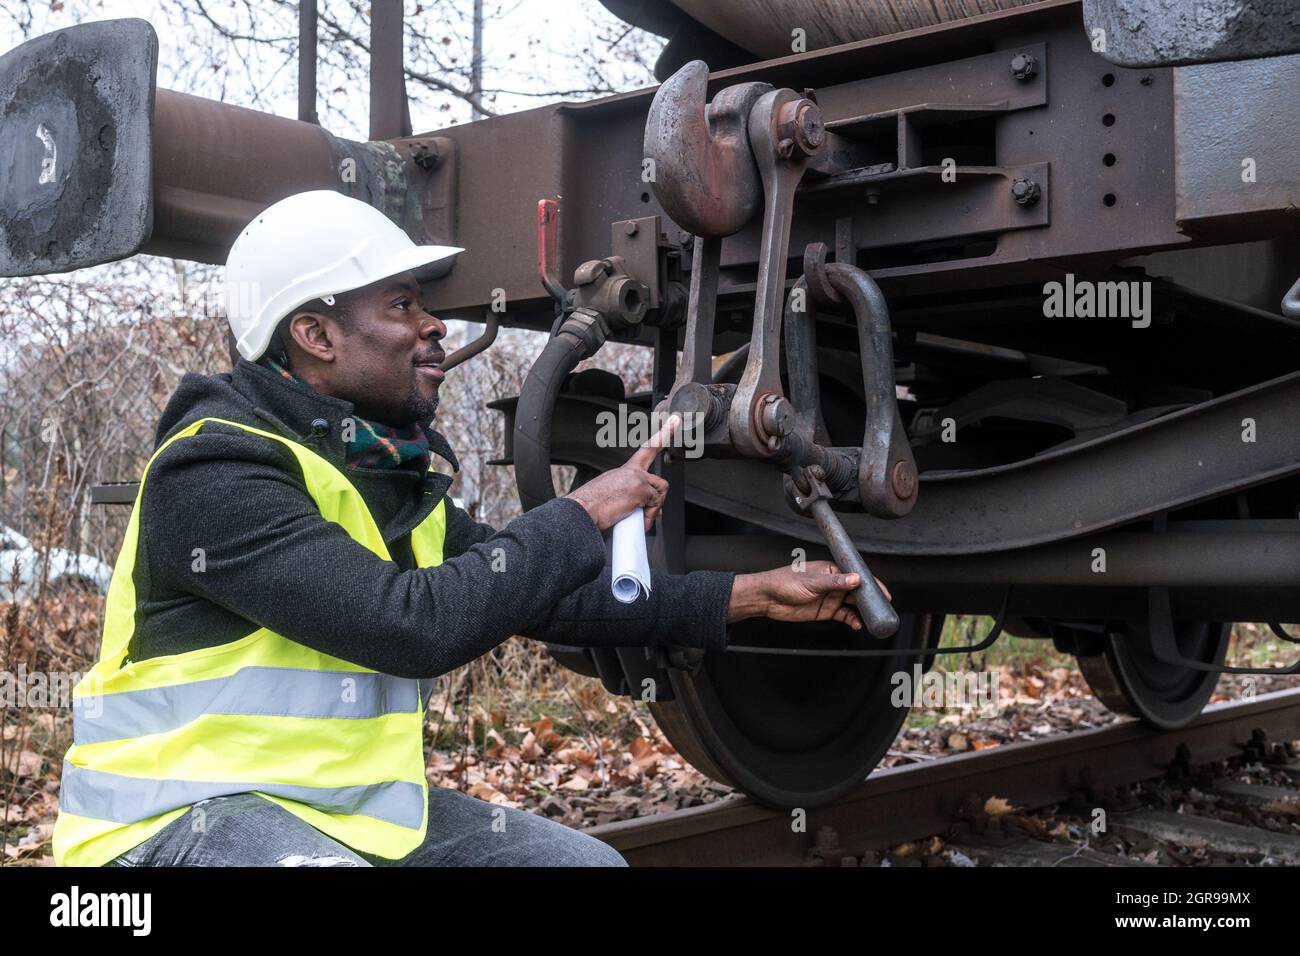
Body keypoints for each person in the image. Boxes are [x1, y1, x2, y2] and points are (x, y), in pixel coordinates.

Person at [53, 191, 878, 867]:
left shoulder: (378, 475)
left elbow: (541, 598)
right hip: (169, 830)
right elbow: (411, 625)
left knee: (589, 870)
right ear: (315, 334)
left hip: (339, 821)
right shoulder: (215, 472)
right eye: (403, 304)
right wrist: (581, 513)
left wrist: (745, 597)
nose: (435, 324)